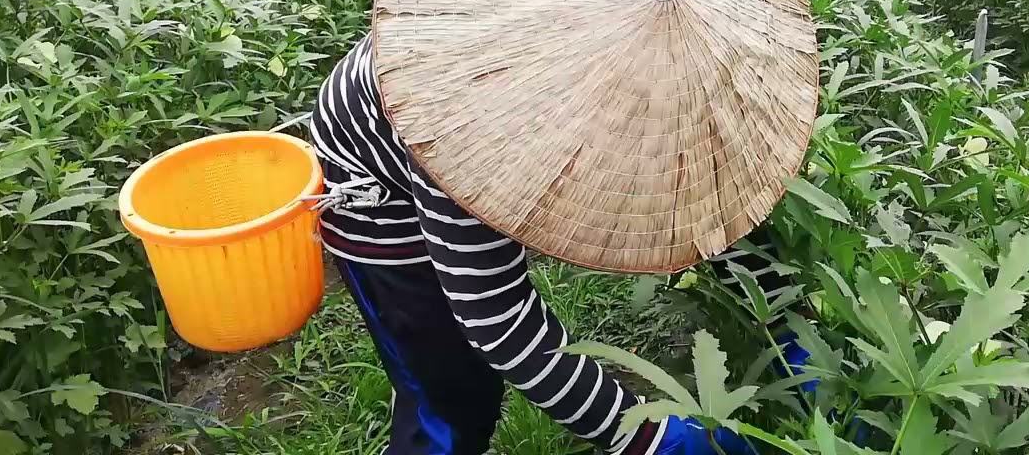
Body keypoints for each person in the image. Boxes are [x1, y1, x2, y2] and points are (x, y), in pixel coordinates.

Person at [310, 35, 795, 455]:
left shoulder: (675, 51)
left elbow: (717, 192)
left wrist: (787, 321)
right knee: (450, 396)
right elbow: (496, 318)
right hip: (374, 189)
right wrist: (641, 437)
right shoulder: (468, 128)